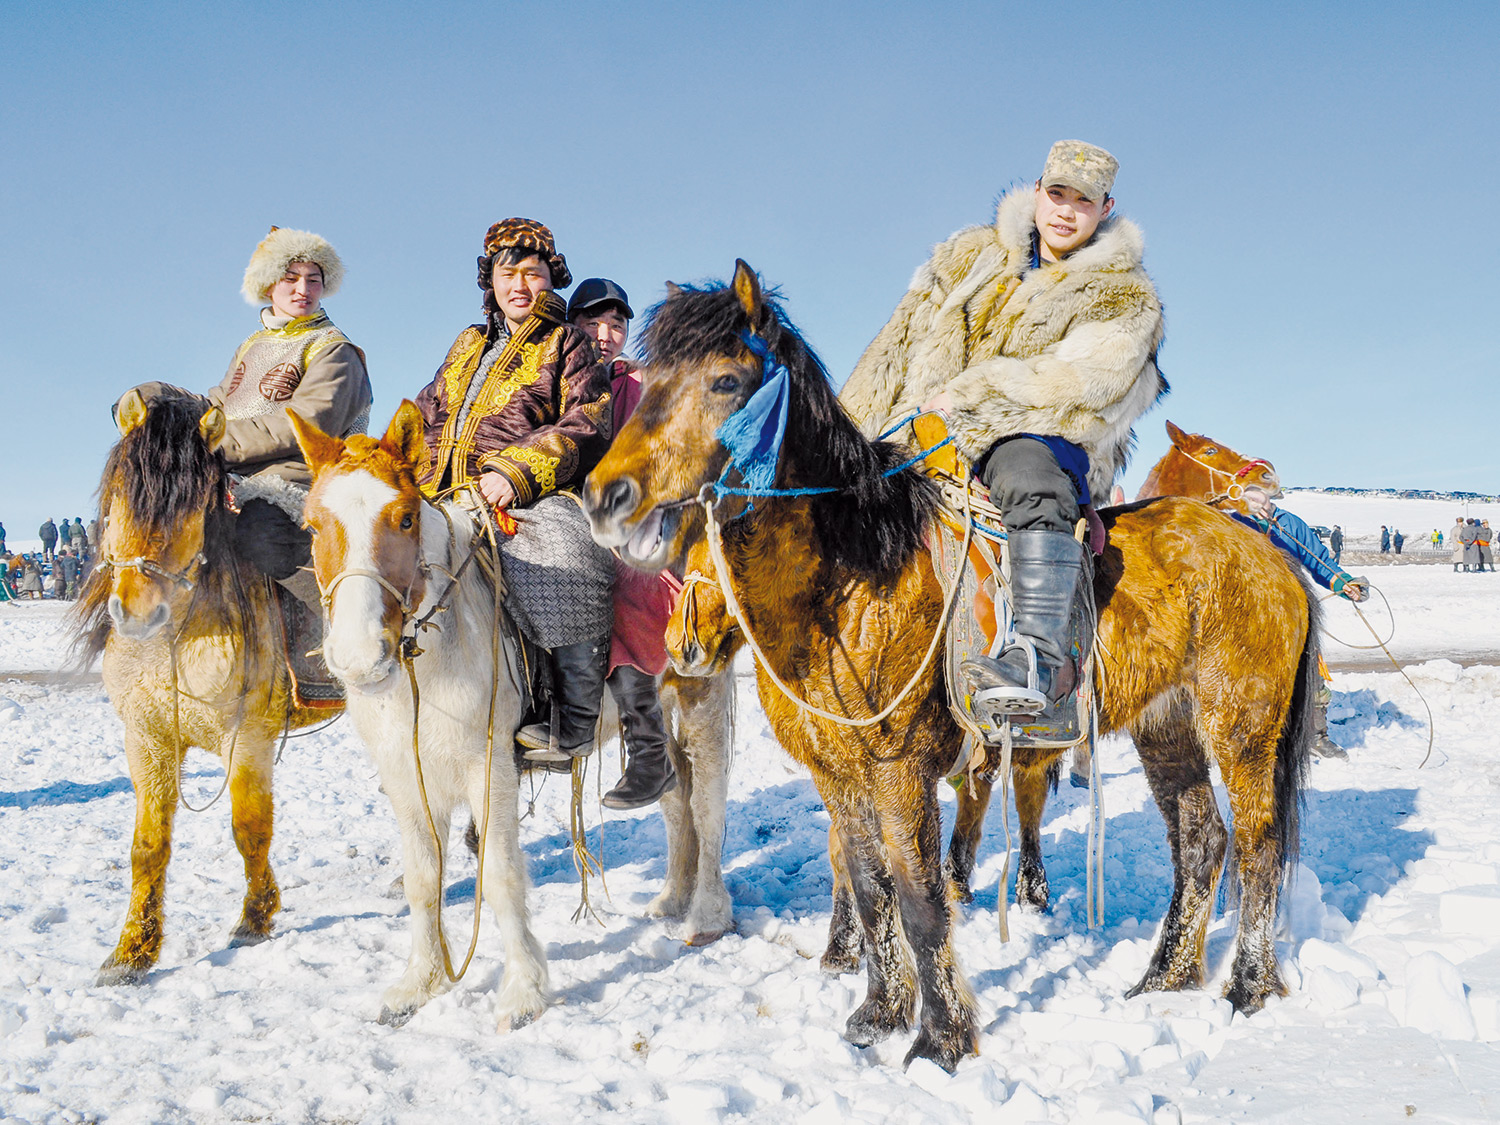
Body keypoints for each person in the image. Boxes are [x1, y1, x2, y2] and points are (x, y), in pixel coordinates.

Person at [840, 139, 1165, 717]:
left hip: (1049, 437)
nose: (1066, 211)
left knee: (1023, 468)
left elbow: (1082, 382)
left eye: (1083, 201)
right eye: (1057, 194)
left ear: (1106, 208)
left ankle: (1037, 658)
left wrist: (967, 399)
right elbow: (893, 349)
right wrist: (848, 436)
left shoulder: (1127, 296)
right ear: (1038, 193)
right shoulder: (969, 257)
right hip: (925, 433)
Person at [412, 219, 614, 766]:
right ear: (490, 281)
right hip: (441, 492)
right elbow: (425, 414)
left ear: (552, 278)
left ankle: (572, 720)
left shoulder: (567, 342)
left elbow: (586, 422)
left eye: (533, 272)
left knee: (568, 555)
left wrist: (513, 473)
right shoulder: (466, 343)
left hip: (528, 494)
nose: (520, 284)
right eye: (508, 273)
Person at [121, 228, 372, 606]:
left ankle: (329, 629)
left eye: (314, 280)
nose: (303, 289)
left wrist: (210, 446)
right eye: (291, 278)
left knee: (260, 530)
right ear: (269, 284)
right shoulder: (253, 345)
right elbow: (219, 407)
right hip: (238, 473)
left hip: (302, 477)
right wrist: (158, 397)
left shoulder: (335, 350)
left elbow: (307, 423)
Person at [568, 277, 681, 808]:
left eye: (616, 325)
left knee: (629, 591)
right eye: (593, 323)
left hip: (631, 524)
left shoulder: (636, 387)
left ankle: (650, 751)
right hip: (558, 510)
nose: (606, 334)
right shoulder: (556, 377)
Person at [1236, 486, 1368, 760]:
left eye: (1259, 491)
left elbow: (1318, 560)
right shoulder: (1232, 522)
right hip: (1244, 612)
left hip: (1292, 610)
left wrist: (1346, 584)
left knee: (1308, 675)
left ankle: (1315, 737)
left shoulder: (1291, 524)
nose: (1254, 498)